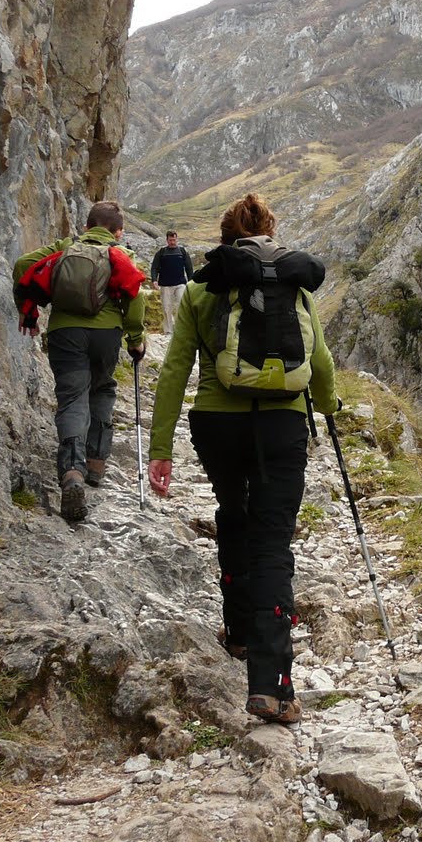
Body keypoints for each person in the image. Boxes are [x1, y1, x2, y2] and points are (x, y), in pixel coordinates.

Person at [147, 193, 335, 725]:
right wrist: (327, 407)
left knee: (233, 514)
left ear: (226, 237)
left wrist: (161, 447)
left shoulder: (206, 288)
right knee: (272, 540)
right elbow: (319, 359)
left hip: (217, 422)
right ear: (270, 234)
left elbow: (175, 368)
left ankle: (237, 632)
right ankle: (273, 686)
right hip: (281, 424)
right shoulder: (293, 282)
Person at [13, 200, 148, 523]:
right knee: (101, 390)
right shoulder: (120, 254)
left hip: (65, 331)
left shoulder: (65, 247)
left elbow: (22, 265)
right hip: (106, 335)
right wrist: (135, 338)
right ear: (118, 232)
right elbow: (135, 295)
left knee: (72, 398)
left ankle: (72, 471)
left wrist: (33, 306)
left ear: (86, 227)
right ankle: (96, 463)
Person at [148, 230, 195, 334]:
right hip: (165, 285)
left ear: (177, 239)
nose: (172, 242)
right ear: (167, 240)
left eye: (174, 240)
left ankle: (180, 329)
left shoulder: (182, 252)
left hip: (180, 284)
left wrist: (191, 282)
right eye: (170, 240)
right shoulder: (161, 252)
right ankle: (168, 330)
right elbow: (154, 267)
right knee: (166, 308)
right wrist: (154, 280)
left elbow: (189, 268)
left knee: (181, 306)